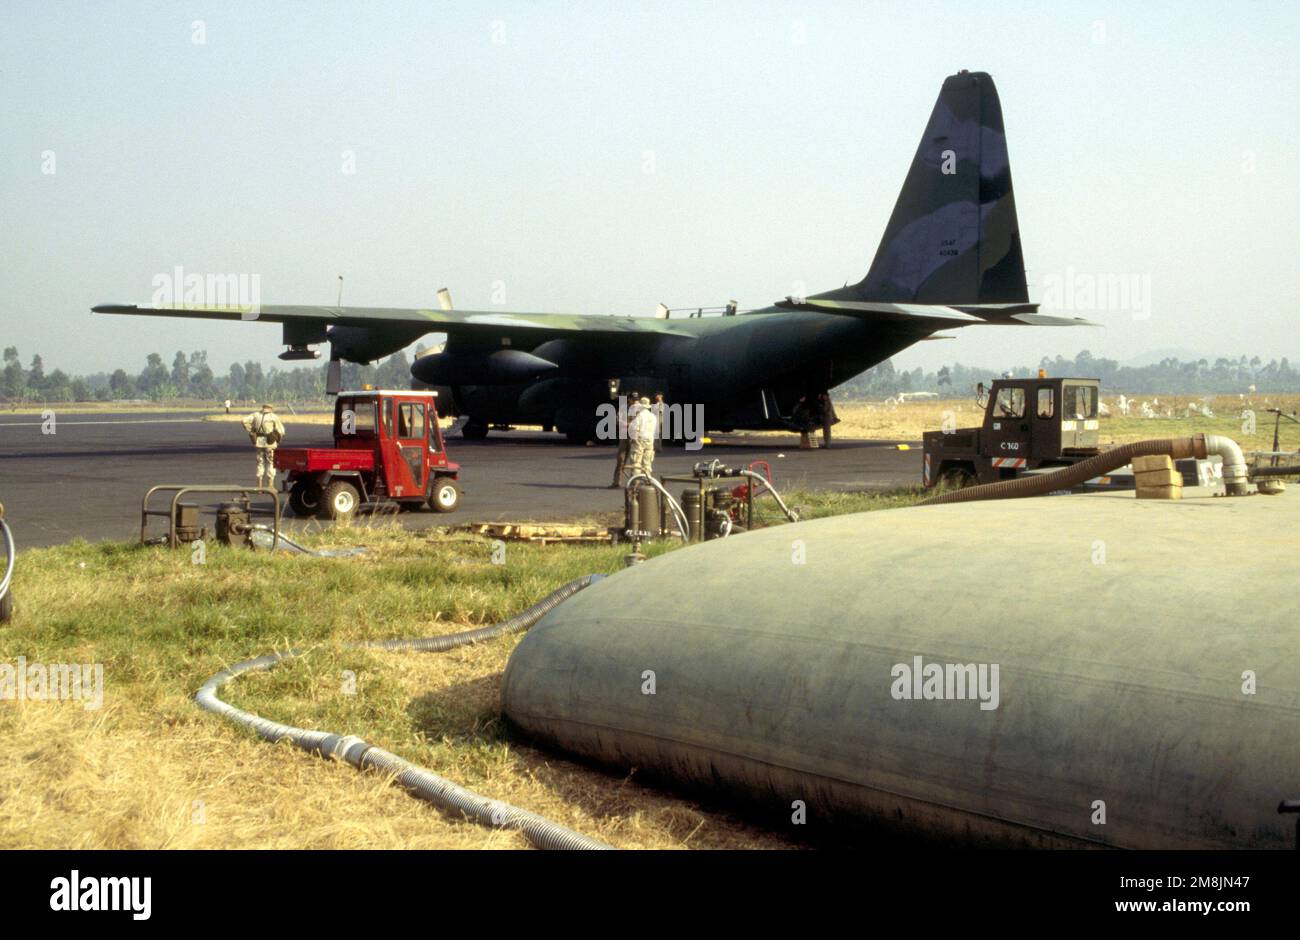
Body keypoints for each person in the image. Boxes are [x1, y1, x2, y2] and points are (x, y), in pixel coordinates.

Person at [242, 403, 286, 490]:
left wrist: (251, 429)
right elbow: (281, 431)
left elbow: (243, 421)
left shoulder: (255, 415)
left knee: (260, 463)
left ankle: (259, 486)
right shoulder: (273, 417)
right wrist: (278, 438)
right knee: (271, 462)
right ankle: (270, 486)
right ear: (270, 408)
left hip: (258, 441)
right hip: (270, 442)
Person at [609, 392, 640, 488]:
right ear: (629, 399)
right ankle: (616, 481)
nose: (635, 401)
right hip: (624, 436)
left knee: (634, 460)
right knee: (620, 458)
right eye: (633, 400)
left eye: (636, 400)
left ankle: (635, 483)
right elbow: (617, 419)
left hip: (635, 436)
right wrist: (625, 424)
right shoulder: (623, 409)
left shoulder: (640, 409)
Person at [629, 397, 658, 479]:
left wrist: (633, 439)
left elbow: (633, 428)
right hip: (650, 441)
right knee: (647, 463)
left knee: (636, 463)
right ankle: (648, 480)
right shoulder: (653, 417)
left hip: (640, 440)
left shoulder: (639, 416)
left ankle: (635, 482)